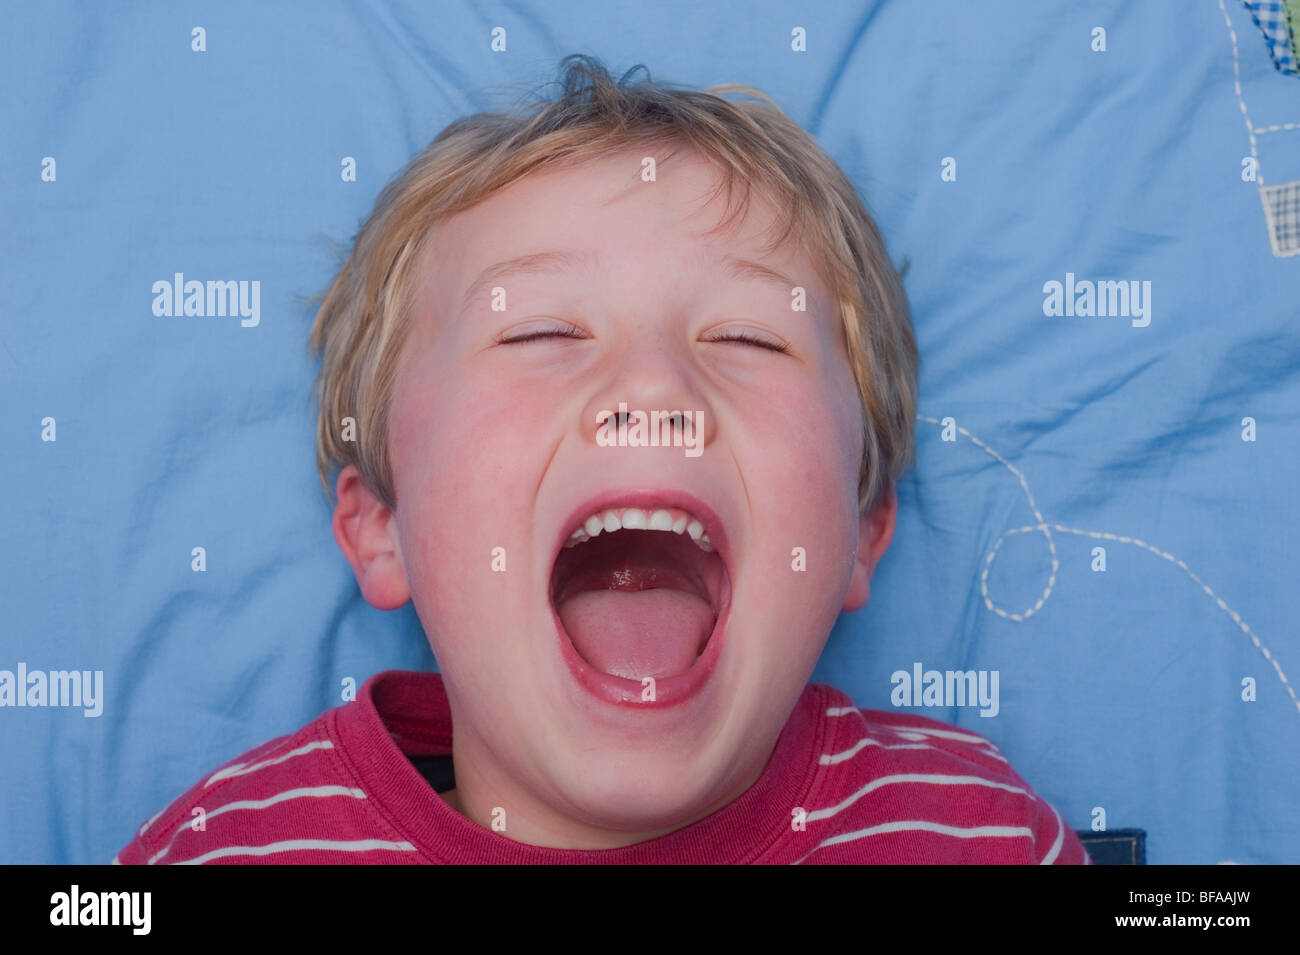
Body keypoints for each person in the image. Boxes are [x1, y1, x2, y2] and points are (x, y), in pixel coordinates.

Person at [115, 55, 1089, 864]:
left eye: (748, 338)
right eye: (537, 331)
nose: (654, 392)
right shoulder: (224, 849)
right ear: (380, 529)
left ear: (859, 537)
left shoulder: (970, 833)